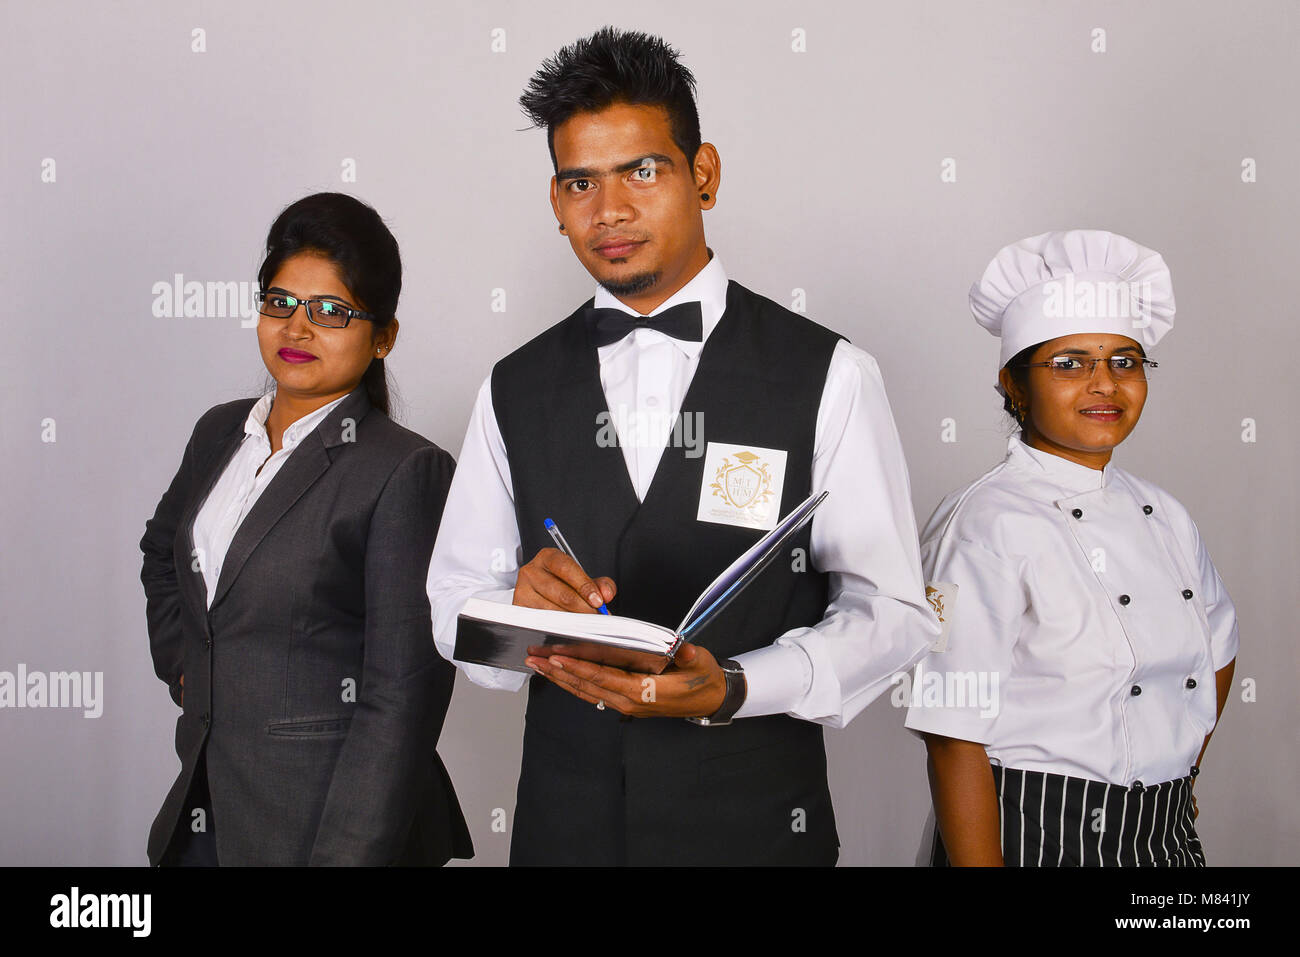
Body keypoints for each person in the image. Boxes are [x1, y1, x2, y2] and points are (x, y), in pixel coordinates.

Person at [427, 27, 940, 866]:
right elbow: (454, 607)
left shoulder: (830, 373)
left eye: (642, 170)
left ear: (702, 173)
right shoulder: (512, 386)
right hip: (563, 833)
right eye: (580, 182)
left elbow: (892, 610)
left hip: (757, 830)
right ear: (555, 204)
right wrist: (516, 611)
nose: (611, 210)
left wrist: (738, 685)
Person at [140, 192, 472, 866]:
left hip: (324, 830)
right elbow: (162, 554)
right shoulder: (219, 432)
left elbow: (400, 698)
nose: (297, 328)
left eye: (332, 311)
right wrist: (191, 669)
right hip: (203, 811)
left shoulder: (406, 471)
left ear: (383, 336)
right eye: (280, 302)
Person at [904, 229, 1239, 866]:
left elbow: (1218, 647)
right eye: (1069, 363)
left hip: (1159, 835)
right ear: (1014, 384)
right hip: (1034, 831)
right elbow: (952, 732)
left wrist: (1181, 771)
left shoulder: (1165, 514)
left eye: (1125, 360)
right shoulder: (984, 522)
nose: (1104, 383)